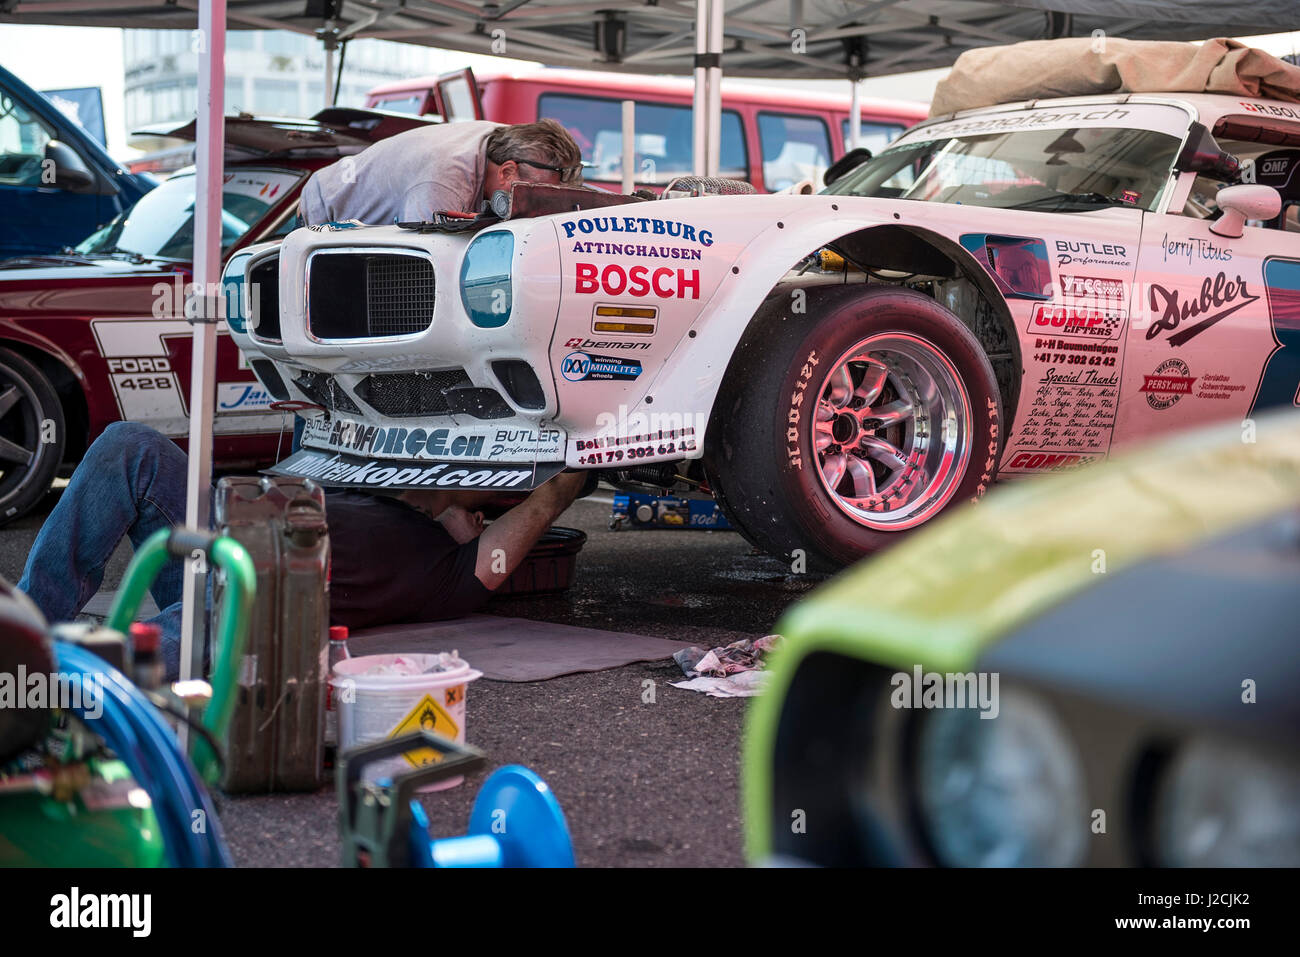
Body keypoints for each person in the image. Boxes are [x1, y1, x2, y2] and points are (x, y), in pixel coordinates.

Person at [17, 423, 587, 679]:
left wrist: (572, 473)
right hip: (213, 531)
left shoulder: (449, 573)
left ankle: (61, 678)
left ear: (480, 519)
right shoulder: (366, 484)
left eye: (477, 489)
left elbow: (536, 512)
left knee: (195, 630)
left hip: (255, 598)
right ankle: (22, 633)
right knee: (130, 445)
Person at [299, 118, 584, 226]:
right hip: (324, 213)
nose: (541, 206)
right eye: (539, 196)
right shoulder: (443, 182)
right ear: (508, 173)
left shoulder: (505, 140)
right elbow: (419, 263)